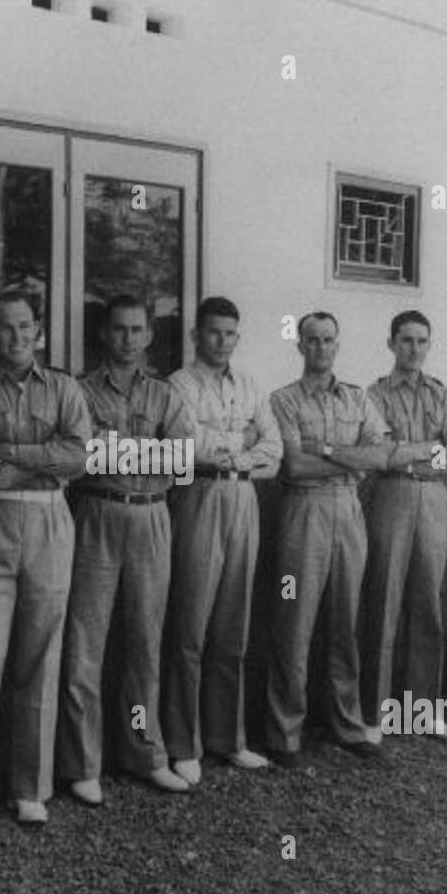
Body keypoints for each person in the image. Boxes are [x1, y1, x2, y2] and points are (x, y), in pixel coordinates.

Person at [0, 289, 91, 839]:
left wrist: (14, 455)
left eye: (26, 326)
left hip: (52, 525)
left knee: (40, 657)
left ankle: (30, 788)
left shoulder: (65, 389)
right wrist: (43, 460)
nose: (16, 336)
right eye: (5, 328)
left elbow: (79, 457)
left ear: (38, 331)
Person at [56, 295, 195, 804]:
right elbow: (79, 457)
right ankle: (83, 763)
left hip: (152, 514)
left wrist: (114, 450)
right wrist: (140, 451)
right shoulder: (78, 390)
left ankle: (145, 753)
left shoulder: (164, 393)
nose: (128, 339)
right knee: (84, 645)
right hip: (97, 513)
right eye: (119, 330)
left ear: (149, 335)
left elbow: (181, 459)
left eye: (137, 330)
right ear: (103, 333)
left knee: (144, 643)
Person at [163, 296, 281, 784]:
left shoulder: (252, 386)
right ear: (196, 335)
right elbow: (185, 447)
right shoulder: (178, 384)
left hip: (244, 500)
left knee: (234, 623)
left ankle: (227, 737)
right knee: (191, 622)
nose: (222, 341)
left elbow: (274, 451)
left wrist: (229, 448)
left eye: (230, 333)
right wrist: (241, 444)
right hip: (199, 496)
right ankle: (182, 742)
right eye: (213, 332)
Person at [264, 311, 390, 765]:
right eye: (311, 340)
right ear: (299, 346)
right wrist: (350, 460)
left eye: (328, 340)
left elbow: (378, 456)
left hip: (348, 510)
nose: (320, 348)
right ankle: (285, 733)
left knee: (344, 619)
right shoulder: (284, 400)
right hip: (303, 509)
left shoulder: (357, 399)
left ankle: (346, 723)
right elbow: (294, 465)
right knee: (294, 621)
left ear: (338, 345)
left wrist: (333, 452)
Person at [362, 310, 447, 737]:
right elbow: (382, 452)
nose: (414, 349)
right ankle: (375, 711)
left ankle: (421, 709)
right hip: (392, 493)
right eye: (406, 340)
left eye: (422, 341)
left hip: (434, 498)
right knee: (384, 598)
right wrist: (428, 447)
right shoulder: (374, 393)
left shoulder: (442, 394)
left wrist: (411, 449)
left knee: (428, 599)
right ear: (391, 344)